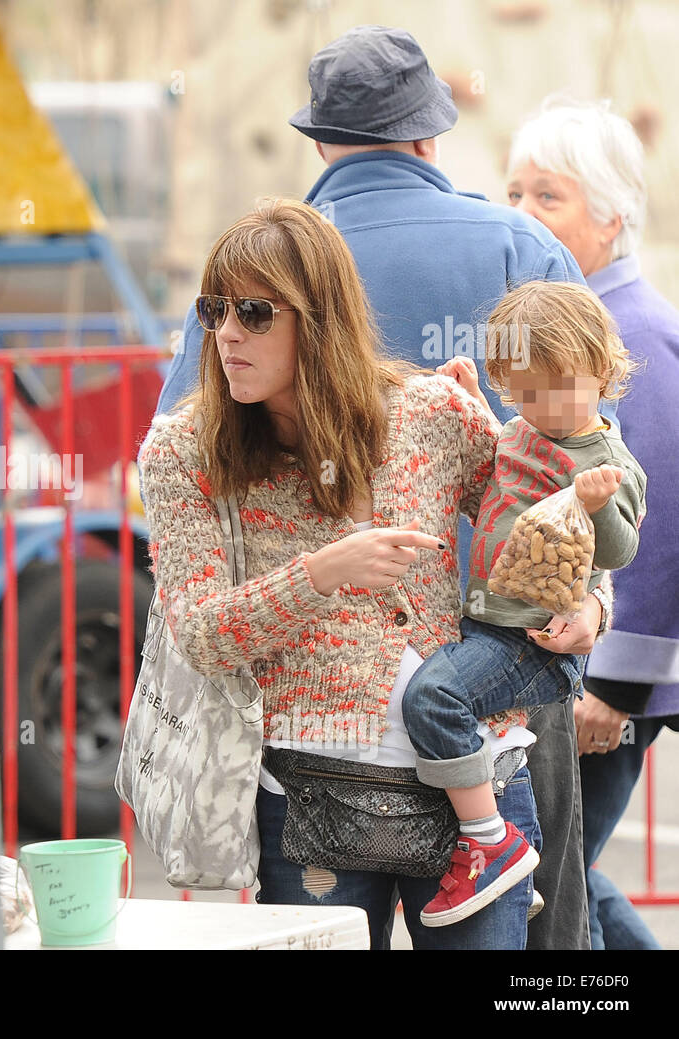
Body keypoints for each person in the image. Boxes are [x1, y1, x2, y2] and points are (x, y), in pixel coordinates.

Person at [154, 25, 602, 949]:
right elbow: (199, 625)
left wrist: (585, 604)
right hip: (312, 790)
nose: (223, 335)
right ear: (430, 136)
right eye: (211, 313)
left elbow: (561, 495)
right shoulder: (521, 245)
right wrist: (322, 570)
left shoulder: (437, 411)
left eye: (248, 314)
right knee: (569, 920)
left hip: (479, 746)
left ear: (321, 141)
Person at [400, 281, 644, 927]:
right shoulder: (522, 429)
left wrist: (594, 504)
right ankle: (512, 856)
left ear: (602, 366)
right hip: (488, 626)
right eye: (524, 391)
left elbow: (618, 551)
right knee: (485, 746)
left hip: (530, 644)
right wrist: (475, 403)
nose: (545, 407)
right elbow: (502, 467)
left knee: (432, 698)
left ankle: (490, 841)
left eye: (559, 386)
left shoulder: (603, 458)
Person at [507, 99, 679, 948]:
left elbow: (662, 521)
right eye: (514, 193)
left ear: (613, 217)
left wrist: (615, 685)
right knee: (561, 872)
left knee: (554, 878)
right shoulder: (572, 332)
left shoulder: (634, 335)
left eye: (549, 196)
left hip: (603, 680)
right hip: (564, 666)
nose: (522, 215)